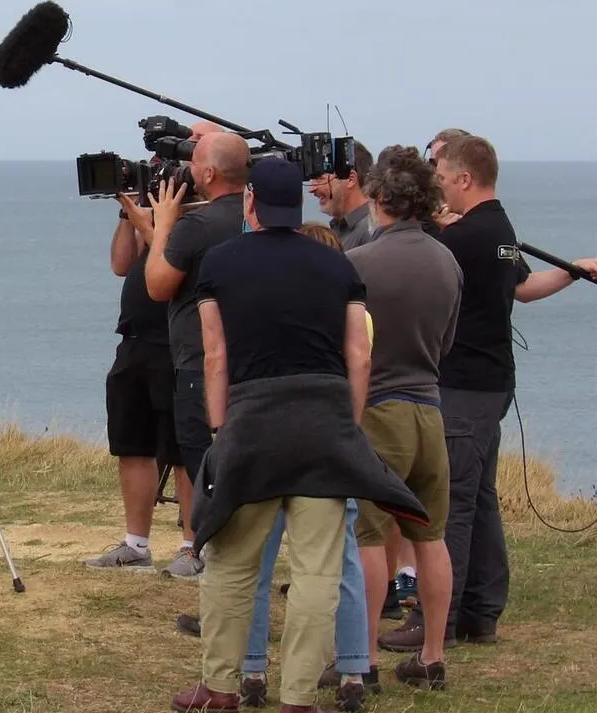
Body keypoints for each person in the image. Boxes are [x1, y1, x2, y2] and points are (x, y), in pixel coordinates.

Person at [169, 159, 428, 713]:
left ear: (251, 203)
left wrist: (219, 430)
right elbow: (360, 355)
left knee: (232, 564)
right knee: (317, 573)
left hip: (252, 424)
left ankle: (220, 688)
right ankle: (300, 698)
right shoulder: (337, 265)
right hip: (324, 428)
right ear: (298, 206)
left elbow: (215, 356)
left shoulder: (221, 262)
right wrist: (346, 425)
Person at [379, 135, 597, 651]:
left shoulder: (462, 236)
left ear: (464, 178)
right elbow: (521, 288)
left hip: (463, 385)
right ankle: (481, 611)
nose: (437, 186)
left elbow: (407, 250)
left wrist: (433, 225)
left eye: (441, 176)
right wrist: (573, 271)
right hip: (492, 382)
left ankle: (441, 619)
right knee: (480, 499)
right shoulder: (499, 229)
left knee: (451, 504)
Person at [236, 221, 377, 712]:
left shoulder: (276, 310)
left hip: (271, 438)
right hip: (329, 437)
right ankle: (353, 668)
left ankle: (252, 666)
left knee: (257, 556)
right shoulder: (355, 313)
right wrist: (350, 427)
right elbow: (361, 362)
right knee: (341, 558)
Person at [348, 145, 464, 693]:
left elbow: (348, 345)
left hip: (379, 408)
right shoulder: (448, 263)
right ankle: (433, 655)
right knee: (430, 536)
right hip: (429, 407)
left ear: (378, 198)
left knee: (369, 536)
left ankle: (365, 657)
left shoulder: (359, 263)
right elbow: (446, 342)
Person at [144, 131, 250, 579]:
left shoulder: (197, 226)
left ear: (208, 173)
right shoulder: (254, 215)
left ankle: (214, 558)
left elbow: (157, 285)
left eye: (193, 163)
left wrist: (162, 224)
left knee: (204, 463)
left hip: (199, 361)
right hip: (250, 361)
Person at [81, 186, 184, 572]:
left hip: (175, 344)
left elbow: (177, 262)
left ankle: (192, 548)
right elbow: (122, 264)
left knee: (182, 449)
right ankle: (136, 545)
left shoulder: (198, 219)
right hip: (135, 340)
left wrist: (152, 226)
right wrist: (129, 215)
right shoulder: (151, 218)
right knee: (133, 445)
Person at [307, 141, 375, 250]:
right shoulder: (338, 230)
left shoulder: (370, 233)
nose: (312, 189)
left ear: (351, 179)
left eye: (320, 179)